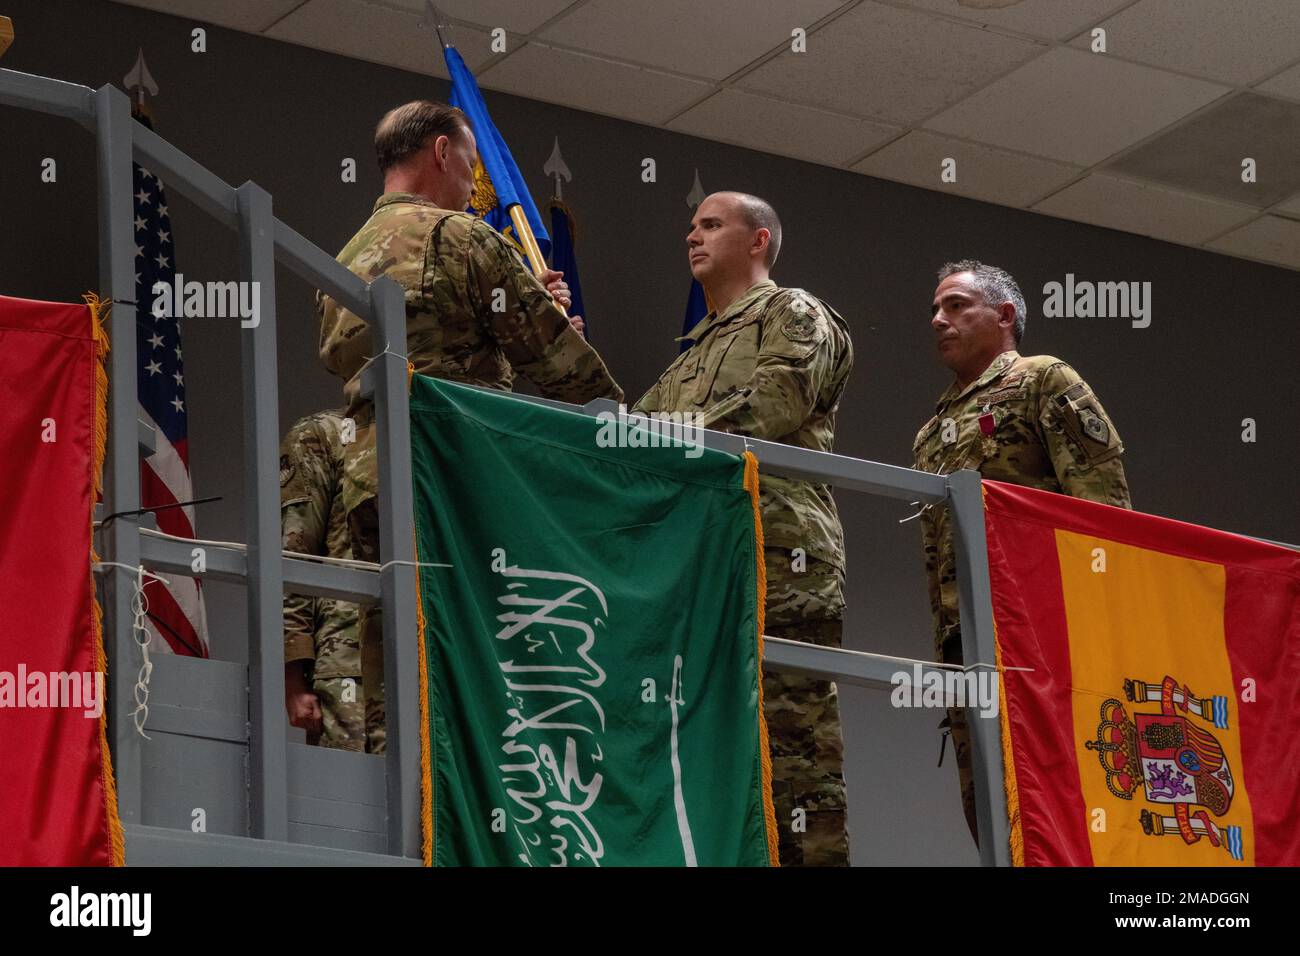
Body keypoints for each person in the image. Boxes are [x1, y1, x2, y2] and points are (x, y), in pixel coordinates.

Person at [317, 100, 624, 749]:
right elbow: (561, 365)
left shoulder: (340, 261)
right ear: (440, 152)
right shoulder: (461, 237)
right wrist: (629, 432)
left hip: (370, 483)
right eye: (471, 162)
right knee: (474, 661)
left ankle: (396, 788)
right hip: (457, 476)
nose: (473, 181)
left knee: (391, 661)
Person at [633, 191, 854, 866]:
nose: (693, 236)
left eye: (711, 224)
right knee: (708, 751)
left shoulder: (793, 312)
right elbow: (625, 448)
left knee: (795, 756)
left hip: (778, 553)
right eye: (690, 226)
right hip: (699, 569)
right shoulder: (685, 360)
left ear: (757, 241)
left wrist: (660, 441)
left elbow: (776, 401)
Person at [912, 259, 1132, 844]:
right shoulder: (932, 431)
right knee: (993, 813)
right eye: (936, 309)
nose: (939, 319)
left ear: (1004, 315)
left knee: (1064, 799)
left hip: (1043, 630)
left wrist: (1097, 632)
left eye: (957, 305)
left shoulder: (1042, 380)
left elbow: (1103, 512)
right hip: (966, 645)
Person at [280, 409, 366, 752]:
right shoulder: (327, 433)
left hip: (442, 657)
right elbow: (295, 552)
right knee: (353, 793)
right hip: (350, 656)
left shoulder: (446, 434)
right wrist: (294, 676)